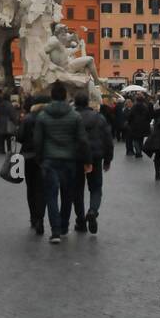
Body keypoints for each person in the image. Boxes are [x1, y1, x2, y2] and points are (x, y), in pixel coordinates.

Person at [33, 81, 91, 244]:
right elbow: (82, 140)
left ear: (51, 97)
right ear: (65, 96)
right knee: (68, 195)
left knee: (51, 196)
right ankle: (64, 225)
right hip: (70, 160)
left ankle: (56, 232)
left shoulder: (43, 116)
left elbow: (37, 141)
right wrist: (87, 160)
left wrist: (39, 158)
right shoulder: (75, 116)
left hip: (49, 160)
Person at [73, 91, 113, 235]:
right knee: (96, 188)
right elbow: (108, 139)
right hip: (96, 157)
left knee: (77, 190)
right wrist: (108, 159)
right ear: (88, 103)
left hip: (76, 157)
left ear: (76, 103)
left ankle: (80, 220)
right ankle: (93, 210)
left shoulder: (72, 117)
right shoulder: (99, 117)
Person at [18, 95, 47, 234]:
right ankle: (40, 218)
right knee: (41, 189)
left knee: (30, 188)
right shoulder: (47, 118)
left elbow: (19, 137)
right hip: (44, 157)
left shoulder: (28, 118)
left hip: (28, 157)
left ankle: (33, 217)